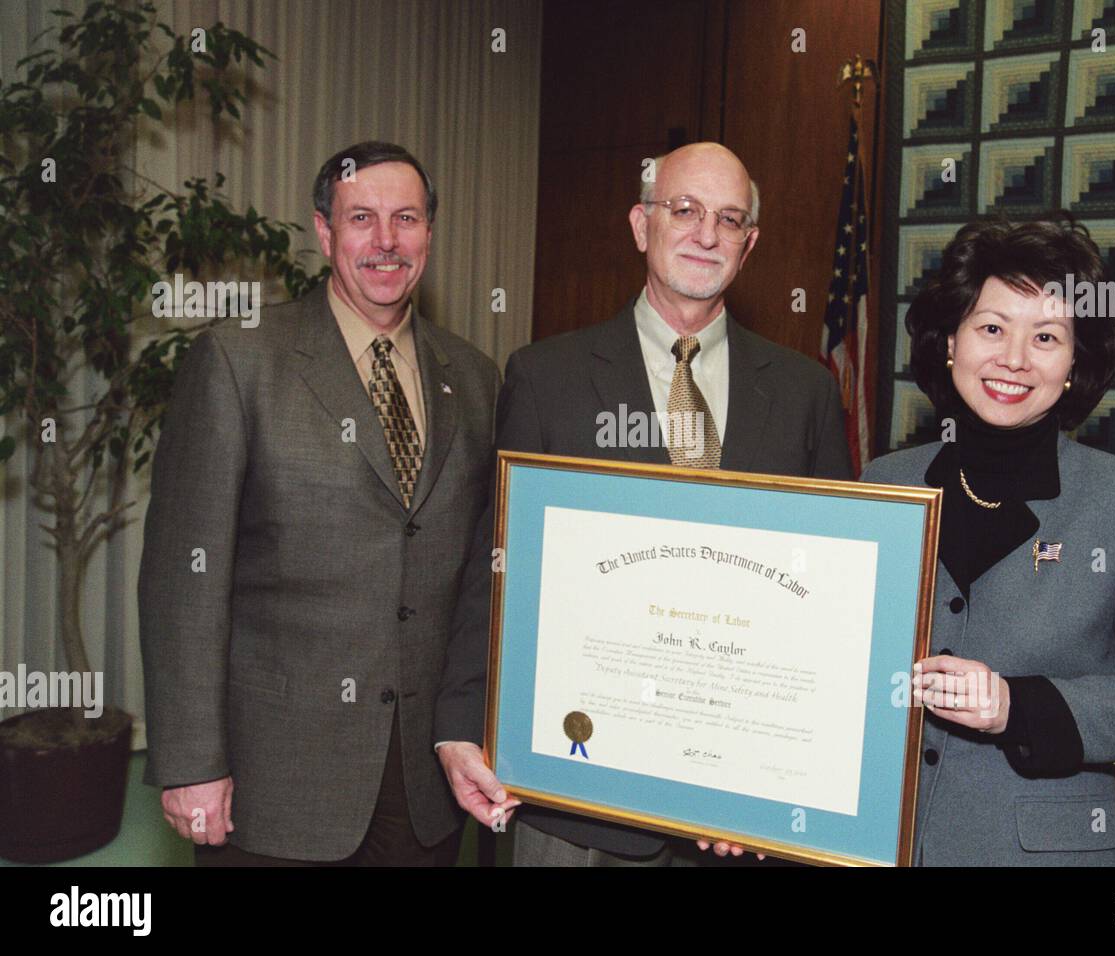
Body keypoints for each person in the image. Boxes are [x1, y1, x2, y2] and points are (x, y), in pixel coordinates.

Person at [435, 142, 853, 866]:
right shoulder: (545, 378)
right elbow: (497, 565)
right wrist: (459, 724)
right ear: (640, 224)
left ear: (749, 245)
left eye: (729, 219)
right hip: (576, 795)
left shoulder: (805, 393)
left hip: (743, 809)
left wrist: (818, 766)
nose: (705, 234)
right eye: (684, 210)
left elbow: (831, 598)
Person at [139, 141, 506, 865]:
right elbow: (185, 577)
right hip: (277, 780)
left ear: (429, 233)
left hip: (423, 781)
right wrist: (189, 761)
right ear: (324, 231)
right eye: (362, 218)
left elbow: (478, 574)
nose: (386, 241)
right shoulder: (239, 360)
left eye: (406, 218)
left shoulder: (475, 376)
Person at [861, 214, 1115, 865]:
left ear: (1074, 364)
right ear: (950, 340)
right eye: (990, 327)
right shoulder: (882, 482)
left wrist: (1020, 706)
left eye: (1045, 336)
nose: (1013, 358)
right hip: (875, 840)